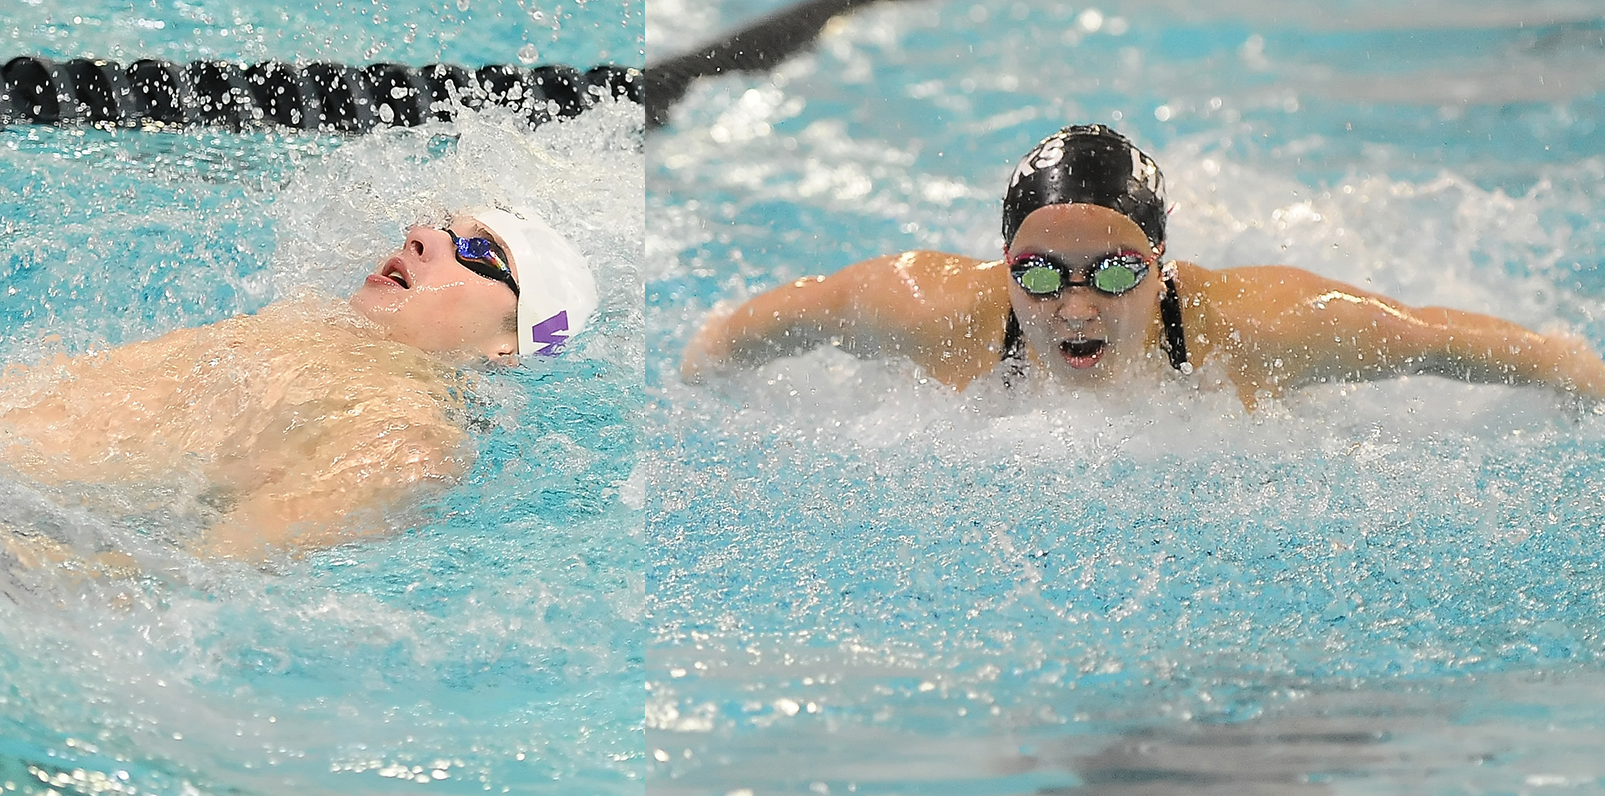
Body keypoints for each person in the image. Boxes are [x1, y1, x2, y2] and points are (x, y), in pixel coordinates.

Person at [683, 124, 1605, 406]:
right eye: (1041, 274)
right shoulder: (927, 308)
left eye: (1114, 273)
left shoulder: (1259, 327)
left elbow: (1443, 342)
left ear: (1160, 269)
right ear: (1003, 265)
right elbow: (733, 341)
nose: (1074, 304)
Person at [0, 206, 598, 560]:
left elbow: (202, 572)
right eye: (440, 224)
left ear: (512, 346)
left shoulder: (408, 439)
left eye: (476, 251)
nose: (421, 234)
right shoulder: (296, 326)